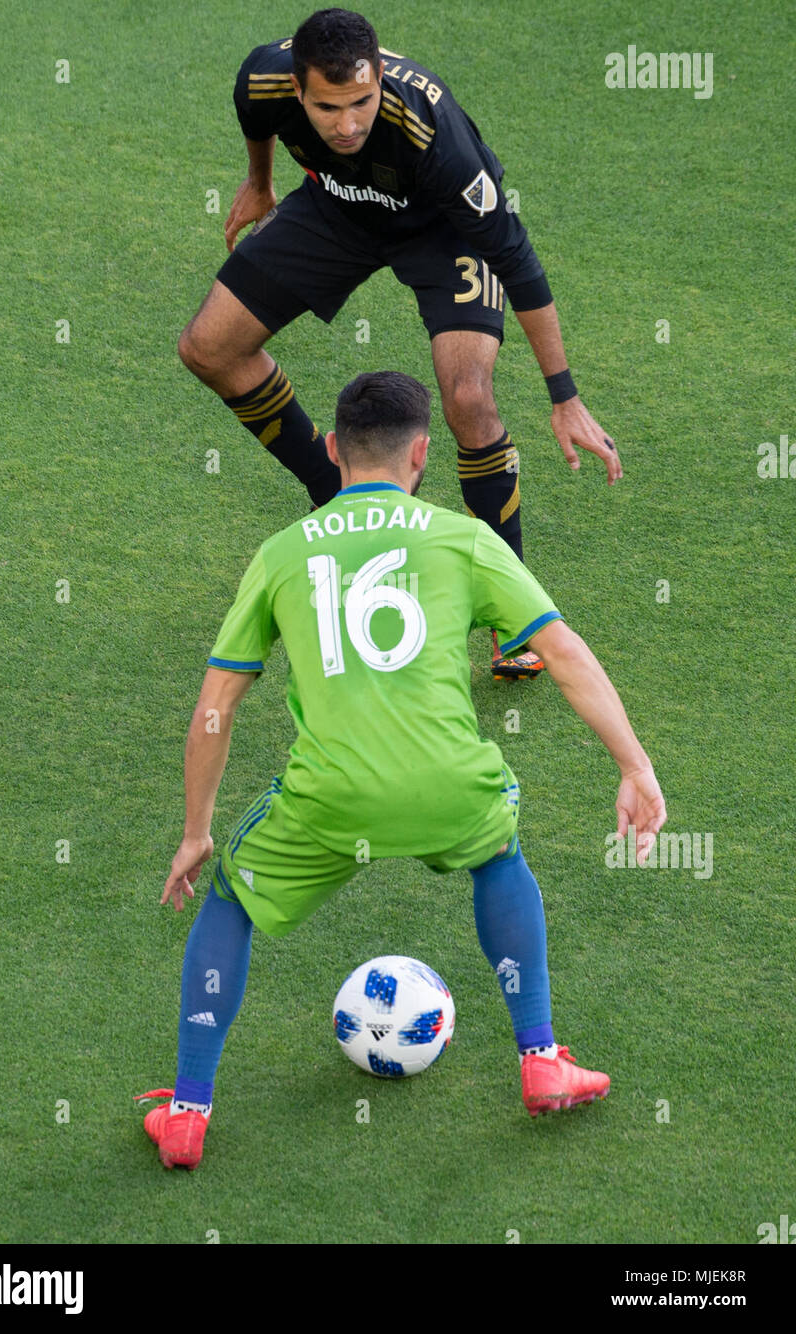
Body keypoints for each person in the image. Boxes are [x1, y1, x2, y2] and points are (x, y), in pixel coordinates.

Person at [136, 371, 664, 1170]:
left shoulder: (281, 555)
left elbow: (216, 707)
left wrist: (196, 833)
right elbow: (560, 651)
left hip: (329, 801)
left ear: (329, 449)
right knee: (498, 854)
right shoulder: (464, 539)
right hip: (450, 786)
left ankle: (187, 1111)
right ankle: (542, 1058)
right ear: (423, 453)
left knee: (232, 897)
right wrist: (634, 765)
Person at [177, 8, 623, 682]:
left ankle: (513, 615)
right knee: (208, 347)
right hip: (337, 209)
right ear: (297, 89)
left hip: (442, 231)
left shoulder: (434, 136)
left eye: (362, 101)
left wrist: (564, 397)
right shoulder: (263, 81)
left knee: (469, 397)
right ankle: (337, 496)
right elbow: (256, 119)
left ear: (380, 76)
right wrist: (261, 182)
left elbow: (520, 264)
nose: (349, 123)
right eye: (329, 108)